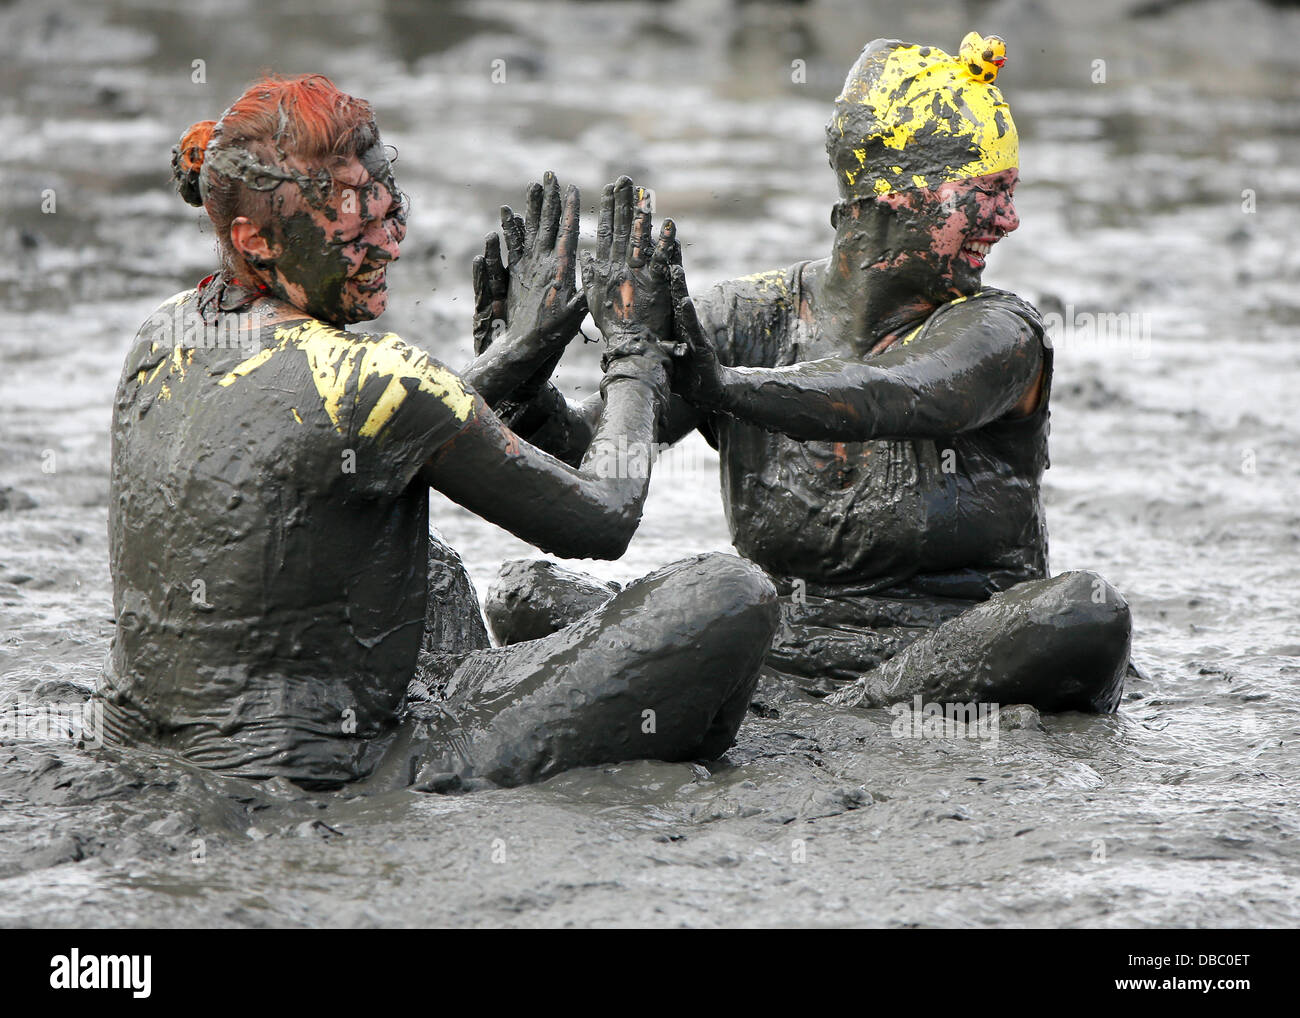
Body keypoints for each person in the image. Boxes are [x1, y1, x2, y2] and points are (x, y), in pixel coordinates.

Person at [96, 74, 778, 792]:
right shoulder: (377, 378)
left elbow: (337, 446)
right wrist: (635, 353)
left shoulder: (164, 329)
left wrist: (518, 354)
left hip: (149, 739)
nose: (390, 246)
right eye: (356, 234)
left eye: (389, 210)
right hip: (335, 769)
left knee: (435, 565)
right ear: (256, 240)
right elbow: (603, 518)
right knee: (729, 594)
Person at [479, 34, 1132, 714]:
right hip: (776, 649)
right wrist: (519, 370)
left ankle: (840, 712)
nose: (1009, 220)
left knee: (1086, 614)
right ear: (897, 197)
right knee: (523, 593)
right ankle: (775, 698)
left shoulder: (1002, 332)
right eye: (989, 192)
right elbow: (593, 453)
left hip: (956, 654)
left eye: (1011, 194)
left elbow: (897, 393)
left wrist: (722, 388)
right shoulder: (740, 320)